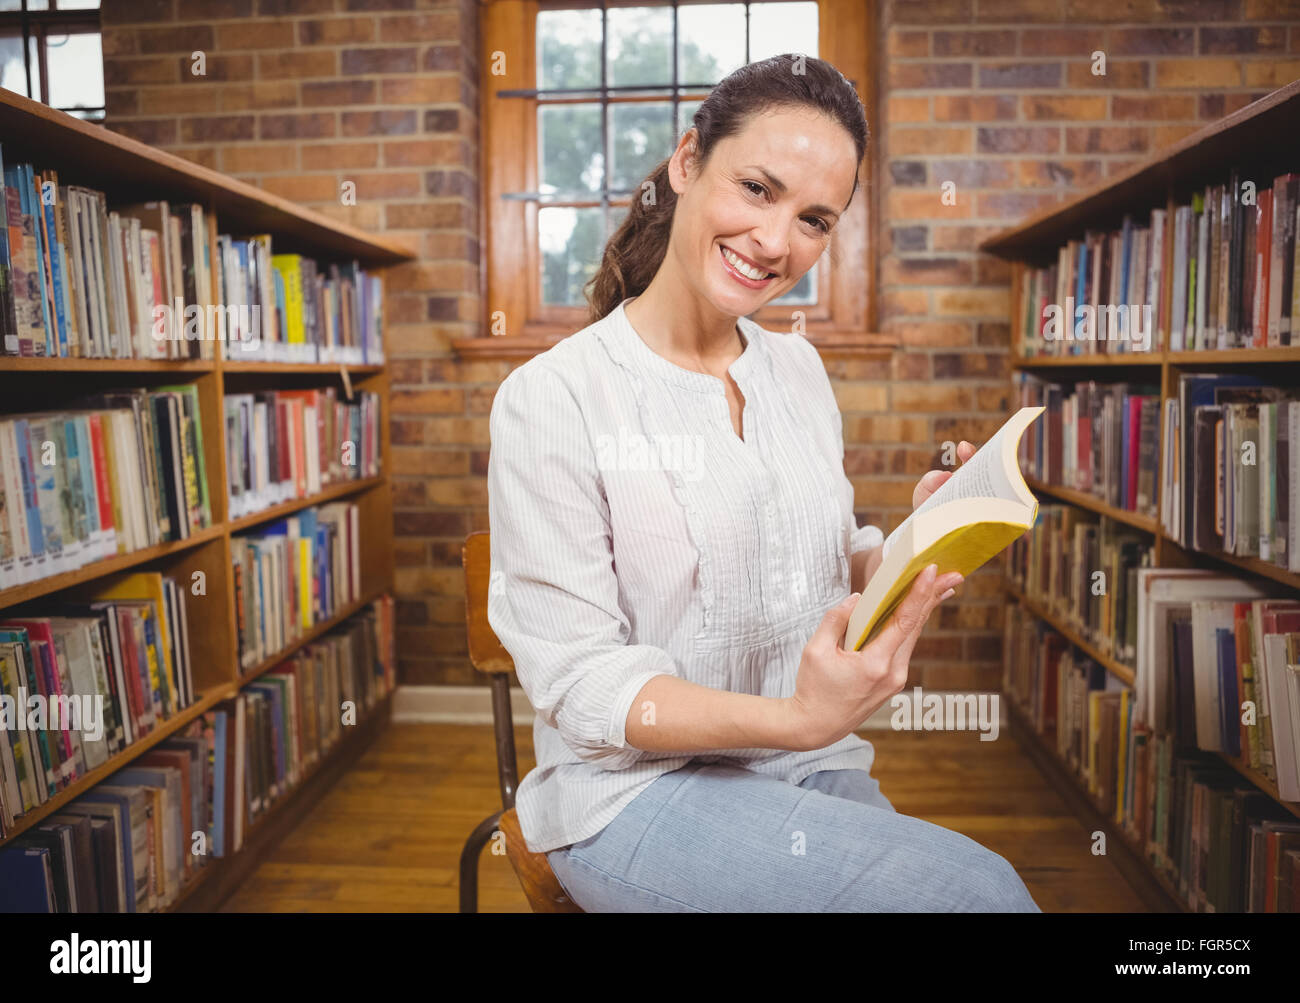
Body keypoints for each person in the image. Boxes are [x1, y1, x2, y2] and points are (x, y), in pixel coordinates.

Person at [486, 53, 1040, 913]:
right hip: (634, 796)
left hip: (807, 768)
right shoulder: (554, 397)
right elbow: (585, 686)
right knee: (978, 893)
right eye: (756, 187)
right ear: (686, 160)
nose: (778, 242)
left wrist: (915, 541)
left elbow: (832, 560)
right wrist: (801, 718)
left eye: (815, 218)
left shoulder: (799, 371)